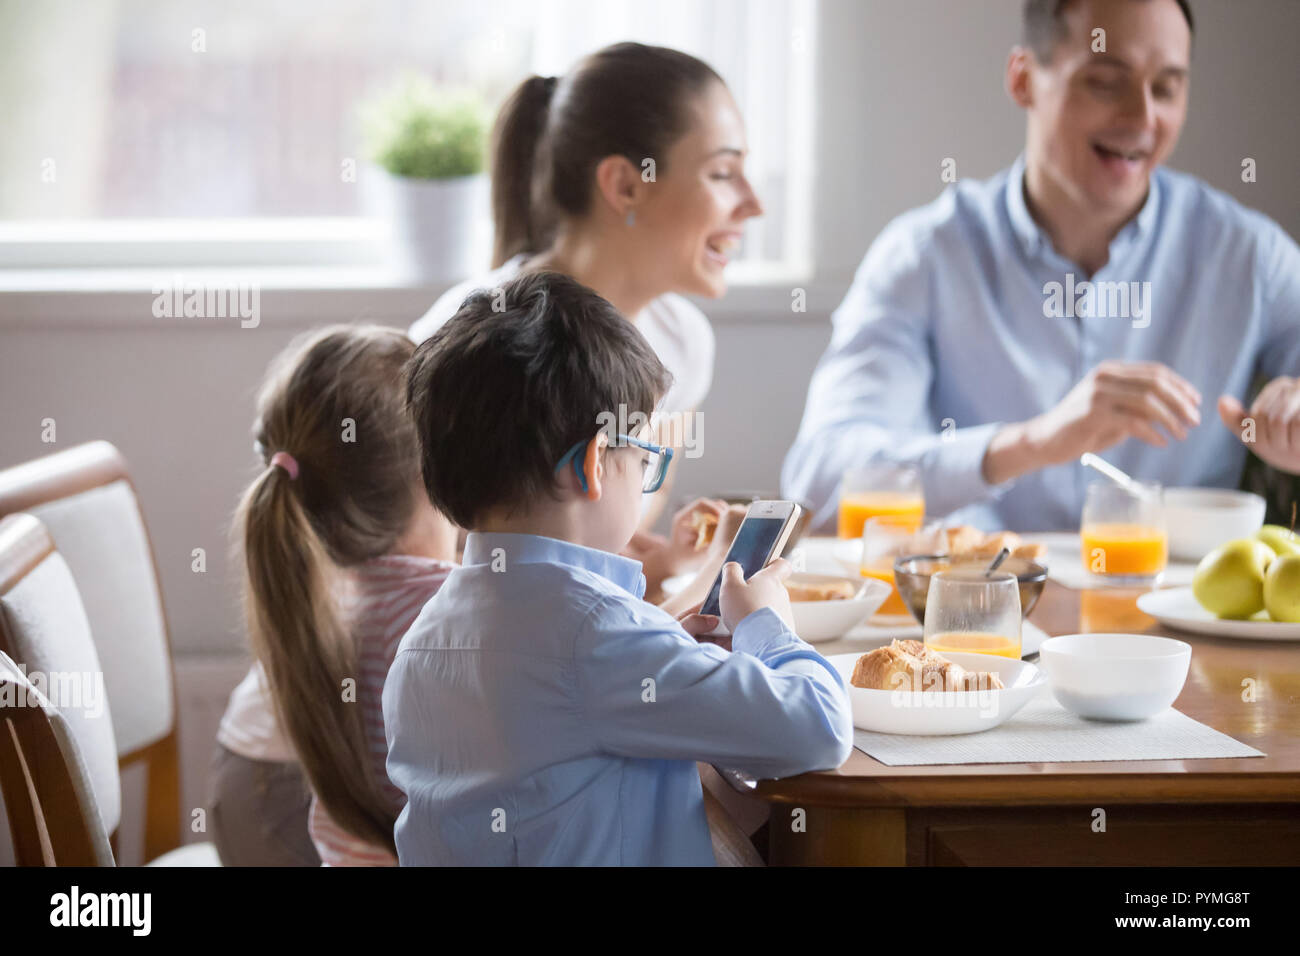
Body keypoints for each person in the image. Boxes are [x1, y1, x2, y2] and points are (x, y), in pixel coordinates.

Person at [385, 272, 852, 866]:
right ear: (596, 465)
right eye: (648, 458)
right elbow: (817, 729)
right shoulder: (596, 633)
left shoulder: (424, 639)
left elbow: (558, 715)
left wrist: (664, 651)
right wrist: (768, 626)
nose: (649, 477)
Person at [783, 0, 1300, 533]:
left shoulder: (1248, 255)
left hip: (1181, 611)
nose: (1143, 118)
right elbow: (818, 484)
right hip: (975, 608)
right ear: (1024, 79)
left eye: (1166, 88)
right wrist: (1031, 443)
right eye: (1105, 82)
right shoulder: (925, 256)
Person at [410, 41, 763, 595]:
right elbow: (425, 587)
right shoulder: (470, 341)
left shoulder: (683, 343)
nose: (753, 203)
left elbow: (595, 563)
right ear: (625, 185)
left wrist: (669, 563)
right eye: (722, 173)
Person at [225, 325, 460, 866]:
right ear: (434, 471)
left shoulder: (339, 564)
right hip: (282, 811)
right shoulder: (434, 610)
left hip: (247, 787)